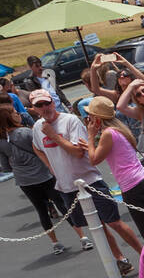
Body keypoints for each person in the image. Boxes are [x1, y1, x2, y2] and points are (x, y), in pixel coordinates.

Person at [29, 89, 140, 273]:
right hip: (67, 187)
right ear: (34, 109)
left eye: (46, 103)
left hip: (89, 181)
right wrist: (50, 166)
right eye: (39, 105)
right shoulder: (37, 128)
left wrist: (53, 135)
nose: (44, 107)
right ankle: (120, 259)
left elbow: (77, 151)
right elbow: (36, 147)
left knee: (114, 222)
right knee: (97, 227)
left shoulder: (69, 120)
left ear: (52, 102)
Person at [0, 104, 89, 254]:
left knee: (41, 210)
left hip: (24, 181)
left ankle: (55, 243)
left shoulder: (2, 141)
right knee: (63, 206)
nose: (19, 114)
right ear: (9, 117)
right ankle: (83, 237)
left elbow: (5, 167)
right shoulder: (26, 132)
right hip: (44, 175)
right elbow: (41, 149)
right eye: (15, 113)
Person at [84, 96, 144, 241]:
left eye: (90, 116)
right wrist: (90, 145)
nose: (88, 120)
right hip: (142, 179)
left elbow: (94, 160)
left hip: (133, 186)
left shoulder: (107, 134)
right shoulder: (117, 129)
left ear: (97, 119)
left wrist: (90, 136)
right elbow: (103, 152)